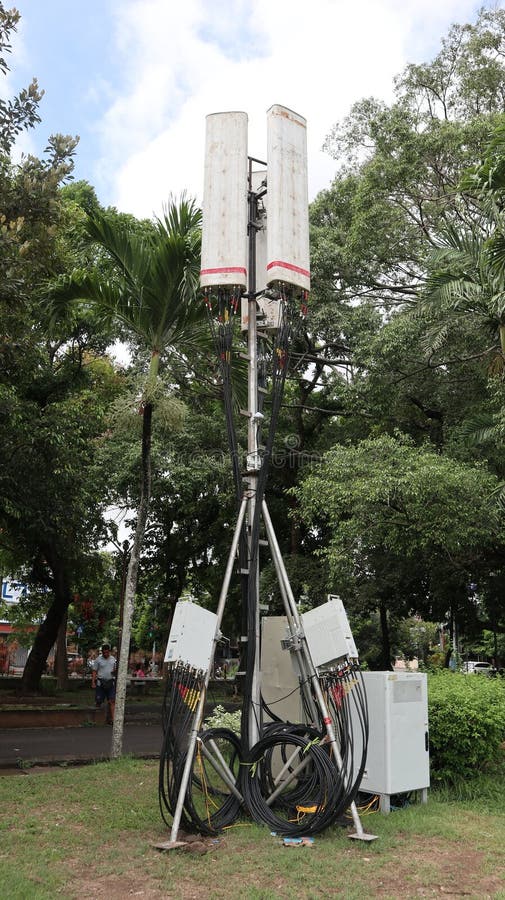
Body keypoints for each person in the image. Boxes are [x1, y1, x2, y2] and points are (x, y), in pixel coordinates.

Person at [91, 643, 116, 724]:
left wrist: (114, 672)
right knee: (98, 701)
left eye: (107, 652)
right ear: (102, 652)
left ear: (109, 651)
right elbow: (94, 671)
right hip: (100, 682)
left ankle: (113, 719)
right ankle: (97, 719)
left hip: (110, 682)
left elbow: (115, 669)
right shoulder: (98, 660)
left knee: (112, 700)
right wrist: (93, 682)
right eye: (104, 652)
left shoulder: (113, 659)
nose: (105, 654)